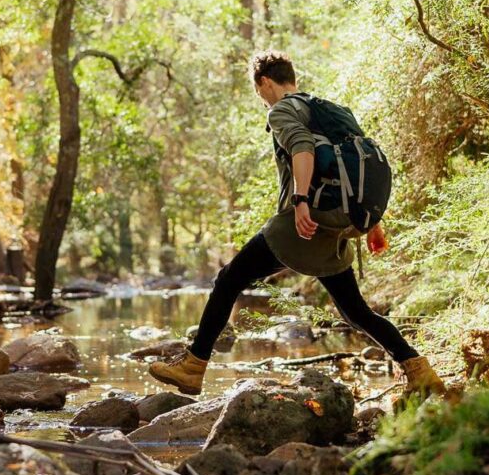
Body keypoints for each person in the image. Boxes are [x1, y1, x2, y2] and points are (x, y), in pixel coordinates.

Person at [150, 51, 454, 400]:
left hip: (305, 224)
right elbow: (360, 165)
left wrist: (301, 201)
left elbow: (303, 147)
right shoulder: (333, 110)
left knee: (229, 278)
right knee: (356, 312)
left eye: (258, 91)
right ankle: (421, 372)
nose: (261, 99)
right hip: (338, 226)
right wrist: (373, 222)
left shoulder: (283, 110)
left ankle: (193, 367)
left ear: (265, 82)